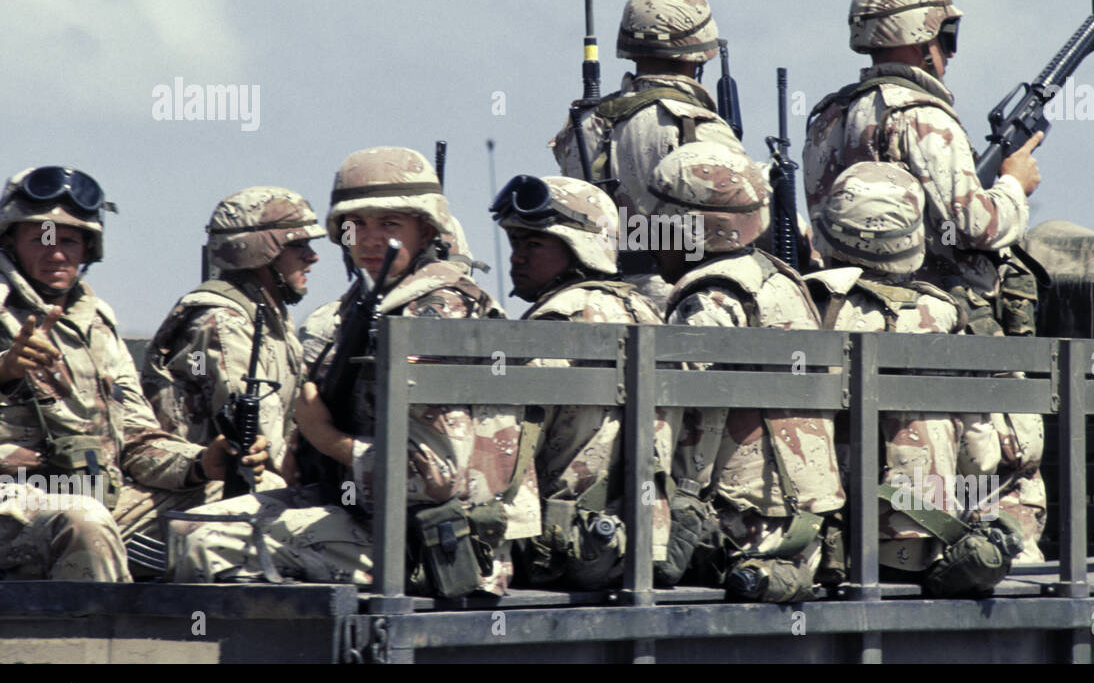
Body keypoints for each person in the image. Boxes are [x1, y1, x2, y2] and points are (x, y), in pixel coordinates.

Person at [170, 147, 538, 596]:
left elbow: (434, 478)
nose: (369, 239)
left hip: (435, 545)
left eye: (389, 224)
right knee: (188, 526)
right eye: (357, 224)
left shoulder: (438, 311)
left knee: (209, 545)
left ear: (426, 229)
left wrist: (326, 438)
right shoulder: (371, 304)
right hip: (375, 519)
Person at [803, 0, 1047, 553]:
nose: (949, 50)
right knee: (999, 455)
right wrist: (1014, 186)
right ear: (921, 35)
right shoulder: (925, 116)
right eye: (948, 33)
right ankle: (999, 559)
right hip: (947, 322)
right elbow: (974, 225)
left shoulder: (829, 116)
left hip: (852, 313)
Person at [0, 166, 265, 581]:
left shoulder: (97, 322)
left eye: (68, 239)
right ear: (10, 242)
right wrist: (4, 370)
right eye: (41, 238)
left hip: (96, 492)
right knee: (84, 521)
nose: (56, 253)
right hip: (17, 498)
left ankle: (202, 643)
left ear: (89, 248)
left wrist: (203, 462)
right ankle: (87, 644)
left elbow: (137, 439)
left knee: (241, 505)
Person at [802, 162, 1019, 579]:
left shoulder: (805, 305)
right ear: (913, 242)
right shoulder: (941, 315)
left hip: (816, 541)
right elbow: (980, 455)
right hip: (916, 539)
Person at [648, 143, 843, 602]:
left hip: (737, 538)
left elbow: (670, 431)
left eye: (660, 221)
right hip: (804, 533)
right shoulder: (780, 281)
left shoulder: (711, 298)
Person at [491, 174, 675, 588]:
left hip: (566, 551)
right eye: (515, 243)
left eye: (533, 244)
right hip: (653, 543)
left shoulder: (558, 319)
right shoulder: (647, 311)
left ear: (581, 246)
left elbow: (512, 446)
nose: (516, 258)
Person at [551, 0, 744, 309]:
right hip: (678, 301)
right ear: (698, 55)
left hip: (591, 302)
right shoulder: (700, 127)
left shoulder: (579, 126)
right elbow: (739, 226)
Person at [142, 187, 326, 483]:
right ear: (260, 250)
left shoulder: (264, 316)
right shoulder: (226, 323)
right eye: (299, 245)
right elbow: (262, 442)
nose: (313, 257)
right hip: (202, 483)